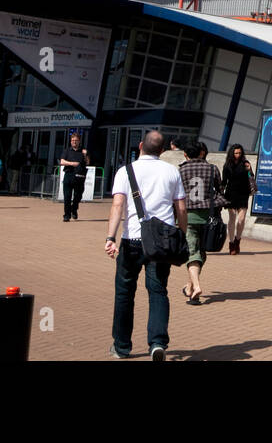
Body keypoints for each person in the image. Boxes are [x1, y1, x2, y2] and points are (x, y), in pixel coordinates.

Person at [105, 130, 187, 361]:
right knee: (158, 291)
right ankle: (157, 342)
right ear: (162, 150)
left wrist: (110, 238)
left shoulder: (125, 171)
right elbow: (181, 208)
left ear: (140, 146)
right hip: (161, 243)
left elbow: (117, 205)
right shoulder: (172, 171)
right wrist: (180, 235)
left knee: (124, 292)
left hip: (132, 240)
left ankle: (121, 346)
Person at [179, 141, 221, 303]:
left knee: (191, 252)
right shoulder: (212, 169)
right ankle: (189, 287)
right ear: (202, 153)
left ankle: (196, 287)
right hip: (208, 217)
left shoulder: (181, 170)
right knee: (201, 252)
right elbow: (219, 189)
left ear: (185, 154)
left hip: (187, 216)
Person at [221, 144, 255, 254]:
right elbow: (224, 181)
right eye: (236, 153)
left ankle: (238, 240)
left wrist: (249, 170)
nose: (238, 155)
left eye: (240, 153)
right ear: (232, 153)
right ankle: (231, 243)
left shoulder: (245, 163)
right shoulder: (227, 165)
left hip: (243, 194)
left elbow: (251, 177)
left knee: (241, 219)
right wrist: (220, 192)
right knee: (232, 218)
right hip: (231, 194)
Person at [58, 132, 89, 222]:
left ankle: (74, 209)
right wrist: (72, 164)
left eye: (76, 140)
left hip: (79, 177)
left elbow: (87, 162)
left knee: (78, 196)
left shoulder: (83, 151)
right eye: (72, 140)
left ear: (79, 141)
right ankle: (66, 215)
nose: (74, 142)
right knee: (67, 196)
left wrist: (85, 155)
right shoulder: (67, 151)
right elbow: (62, 161)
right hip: (69, 175)